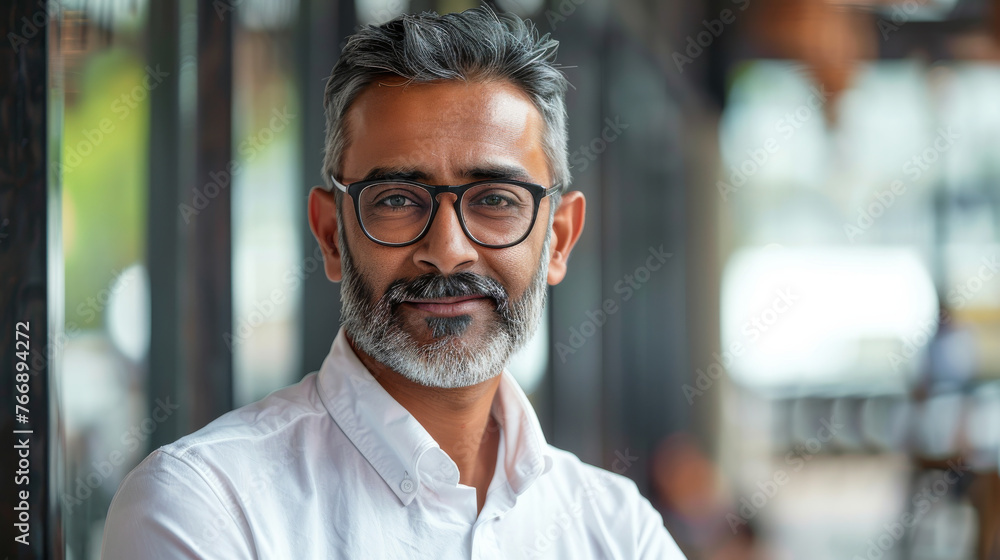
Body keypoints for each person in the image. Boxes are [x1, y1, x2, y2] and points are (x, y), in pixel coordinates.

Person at [102, 6, 685, 559]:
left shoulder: (616, 528)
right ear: (332, 234)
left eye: (496, 200)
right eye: (398, 200)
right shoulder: (207, 505)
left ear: (557, 239)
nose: (448, 252)